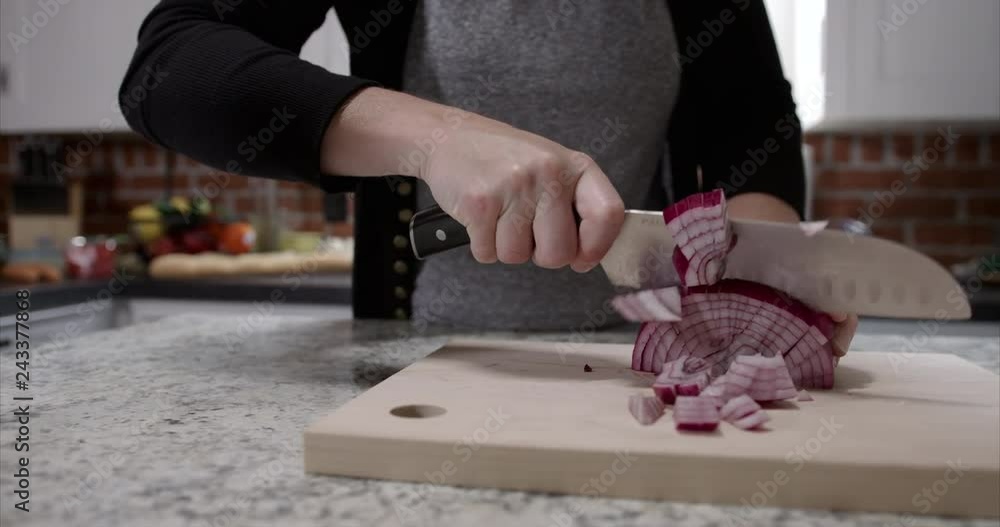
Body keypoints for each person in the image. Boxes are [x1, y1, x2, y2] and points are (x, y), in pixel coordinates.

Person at [119, 0, 857, 355]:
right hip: (411, 358)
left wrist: (762, 264)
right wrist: (439, 138)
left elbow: (752, 126)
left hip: (641, 358)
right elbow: (169, 68)